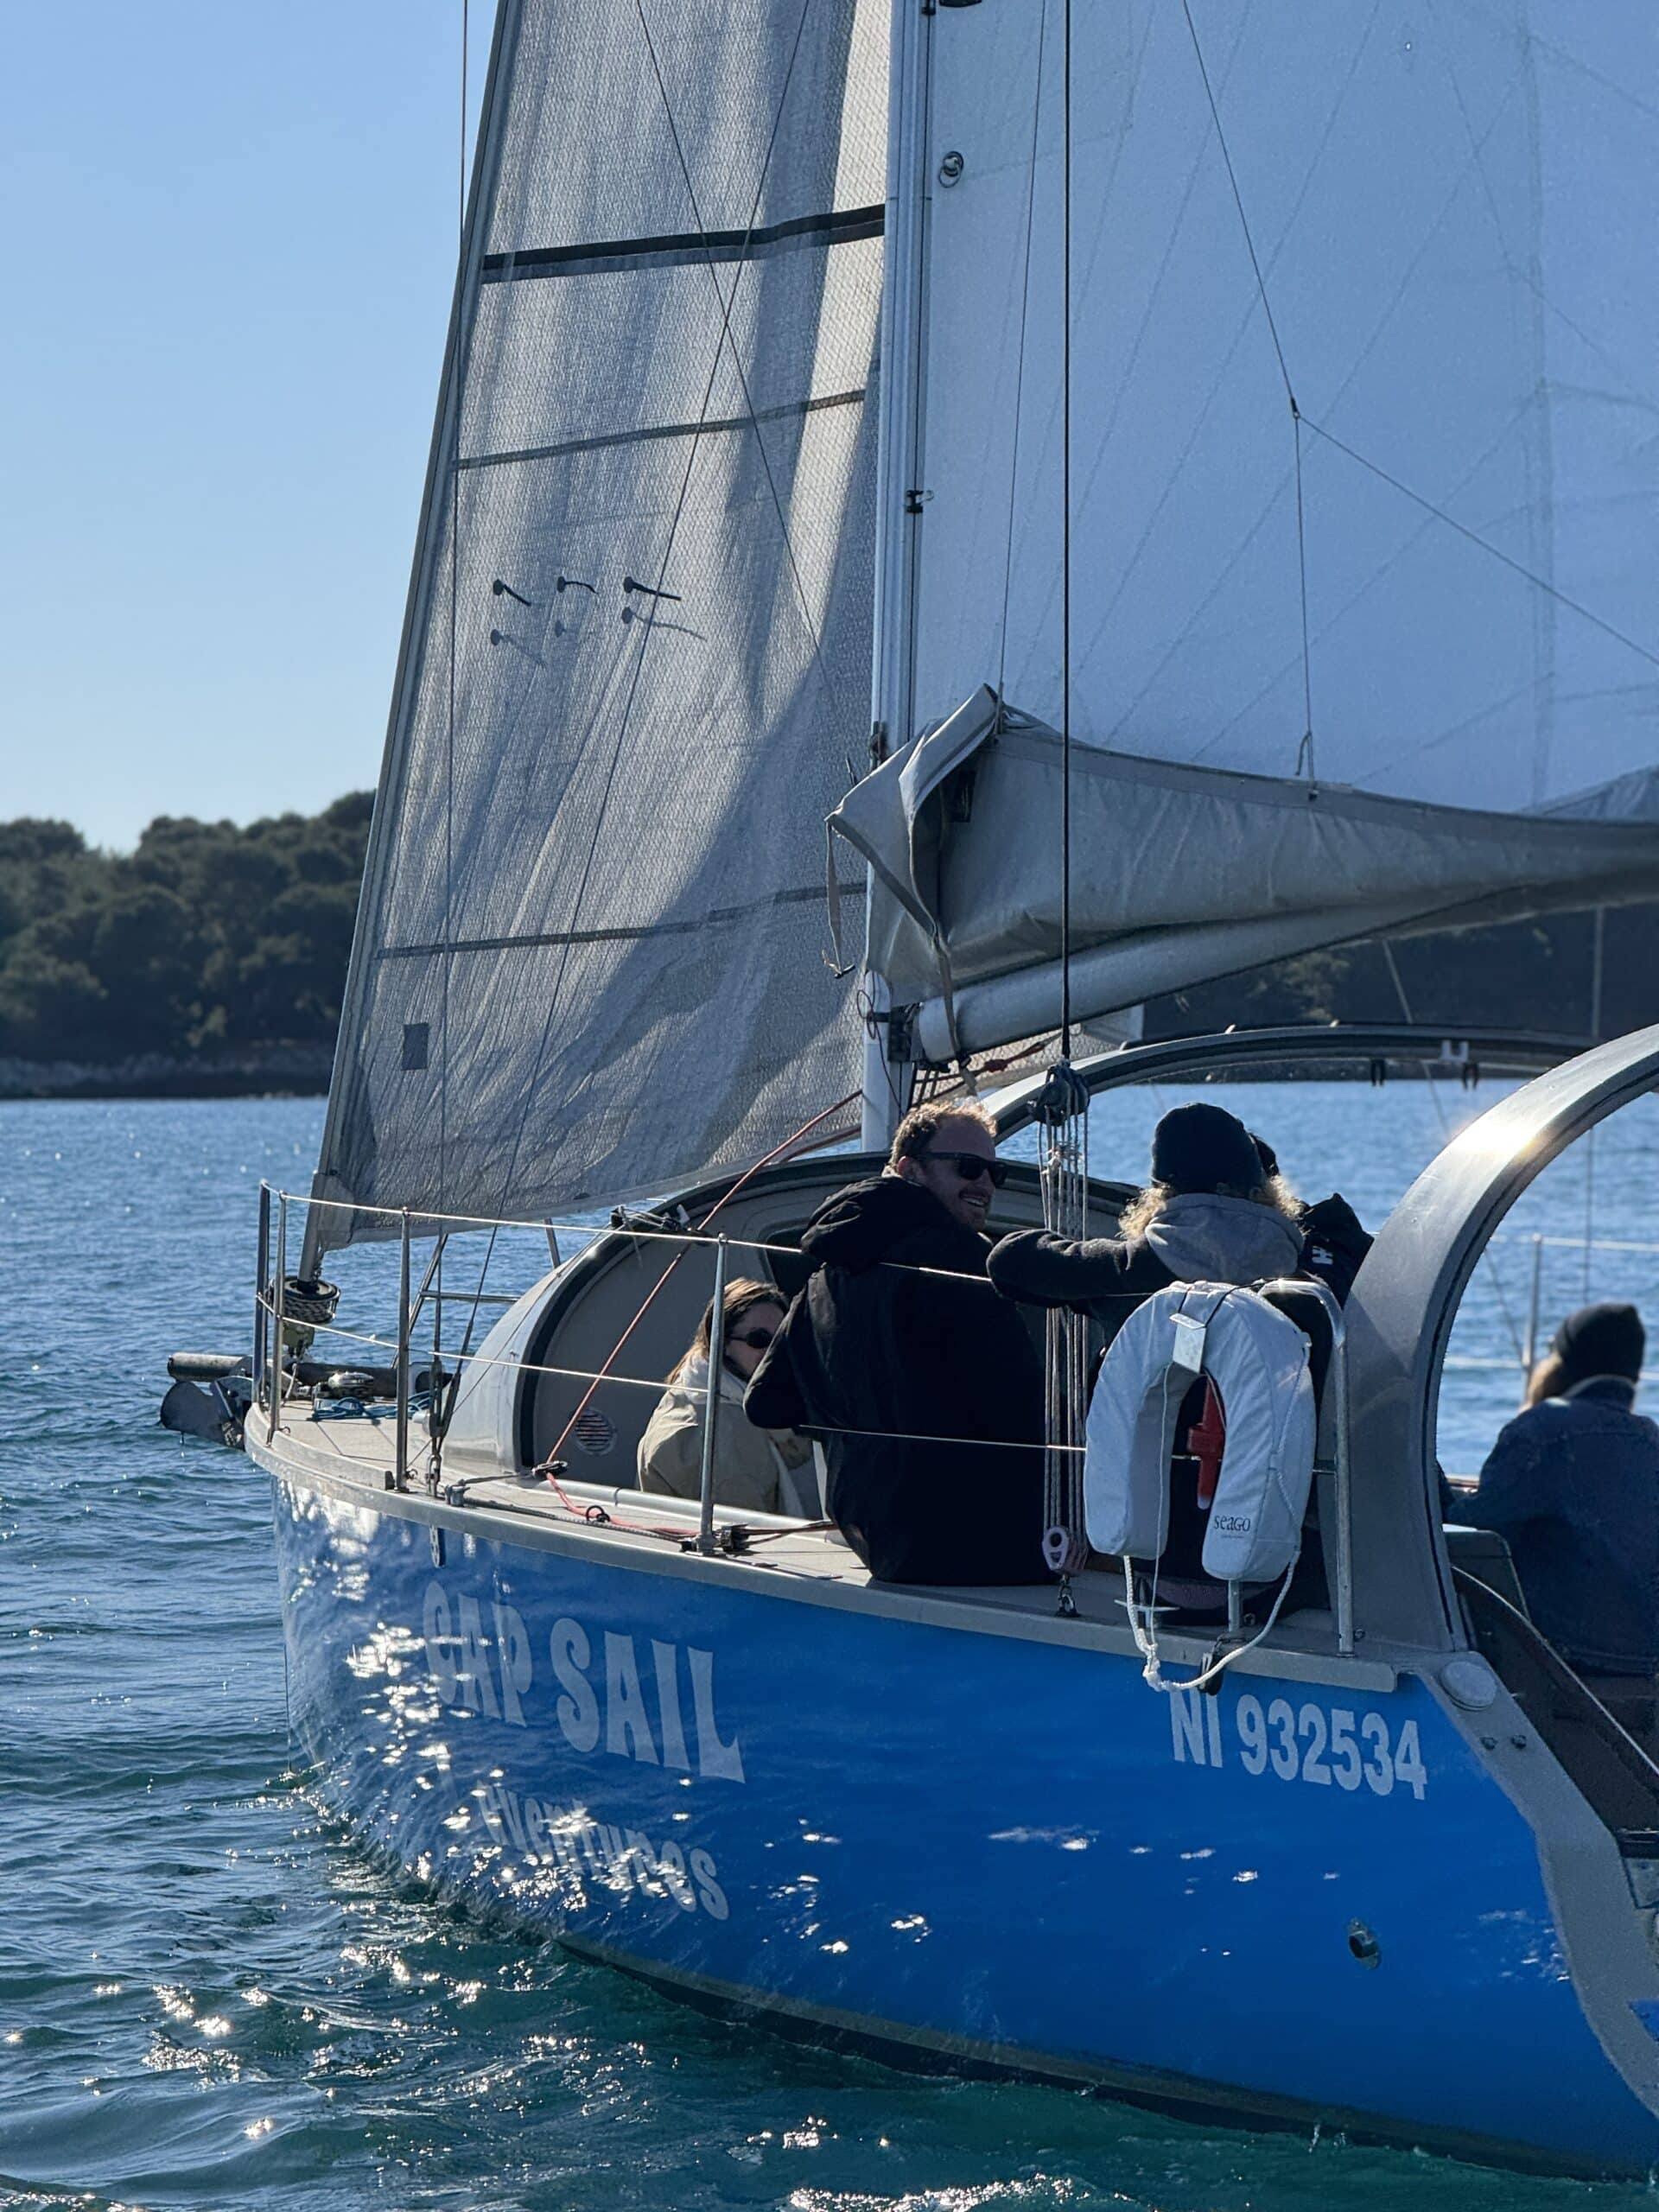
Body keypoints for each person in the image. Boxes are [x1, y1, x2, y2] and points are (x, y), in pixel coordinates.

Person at [987, 1102, 1321, 1622]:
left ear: (1162, 1197)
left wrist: (1095, 1264)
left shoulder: (1128, 1271)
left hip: (1160, 1572)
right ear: (1267, 1195)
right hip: (1284, 1573)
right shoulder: (1308, 1281)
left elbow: (1008, 1262)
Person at [743, 1100, 1048, 1585]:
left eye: (996, 1172)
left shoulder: (827, 1273)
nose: (985, 1184)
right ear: (910, 1169)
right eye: (968, 1168)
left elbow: (765, 1403)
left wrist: (854, 1424)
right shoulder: (960, 1260)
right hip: (976, 1546)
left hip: (869, 1535)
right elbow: (1020, 1406)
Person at [1466, 1302, 1659, 1732]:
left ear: (1566, 1361)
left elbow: (1473, 1530)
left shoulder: (1542, 1431)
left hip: (1564, 1661)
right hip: (1645, 1660)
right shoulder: (1650, 1439)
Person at [638, 1279, 817, 1516]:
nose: (775, 1350)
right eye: (759, 1339)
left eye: (782, 1338)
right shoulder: (721, 1435)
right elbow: (750, 1534)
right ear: (722, 1344)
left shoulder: (693, 1384)